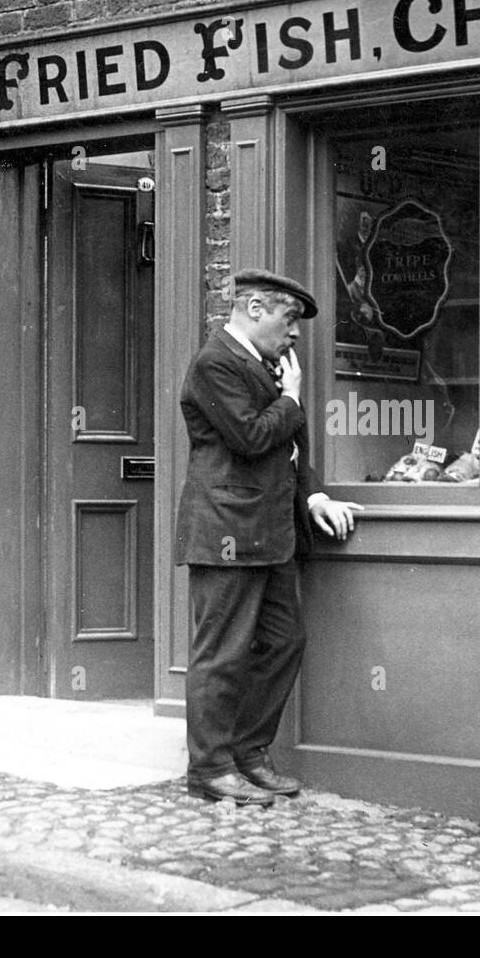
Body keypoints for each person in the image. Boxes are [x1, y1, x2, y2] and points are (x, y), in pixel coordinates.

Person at [174, 268, 363, 806]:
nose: (296, 332)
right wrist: (293, 397)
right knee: (223, 653)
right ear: (254, 308)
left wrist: (315, 496)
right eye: (289, 318)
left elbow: (290, 449)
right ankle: (208, 768)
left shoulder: (266, 365)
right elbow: (254, 438)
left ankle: (248, 753)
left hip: (271, 532)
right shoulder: (215, 364)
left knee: (284, 640)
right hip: (226, 531)